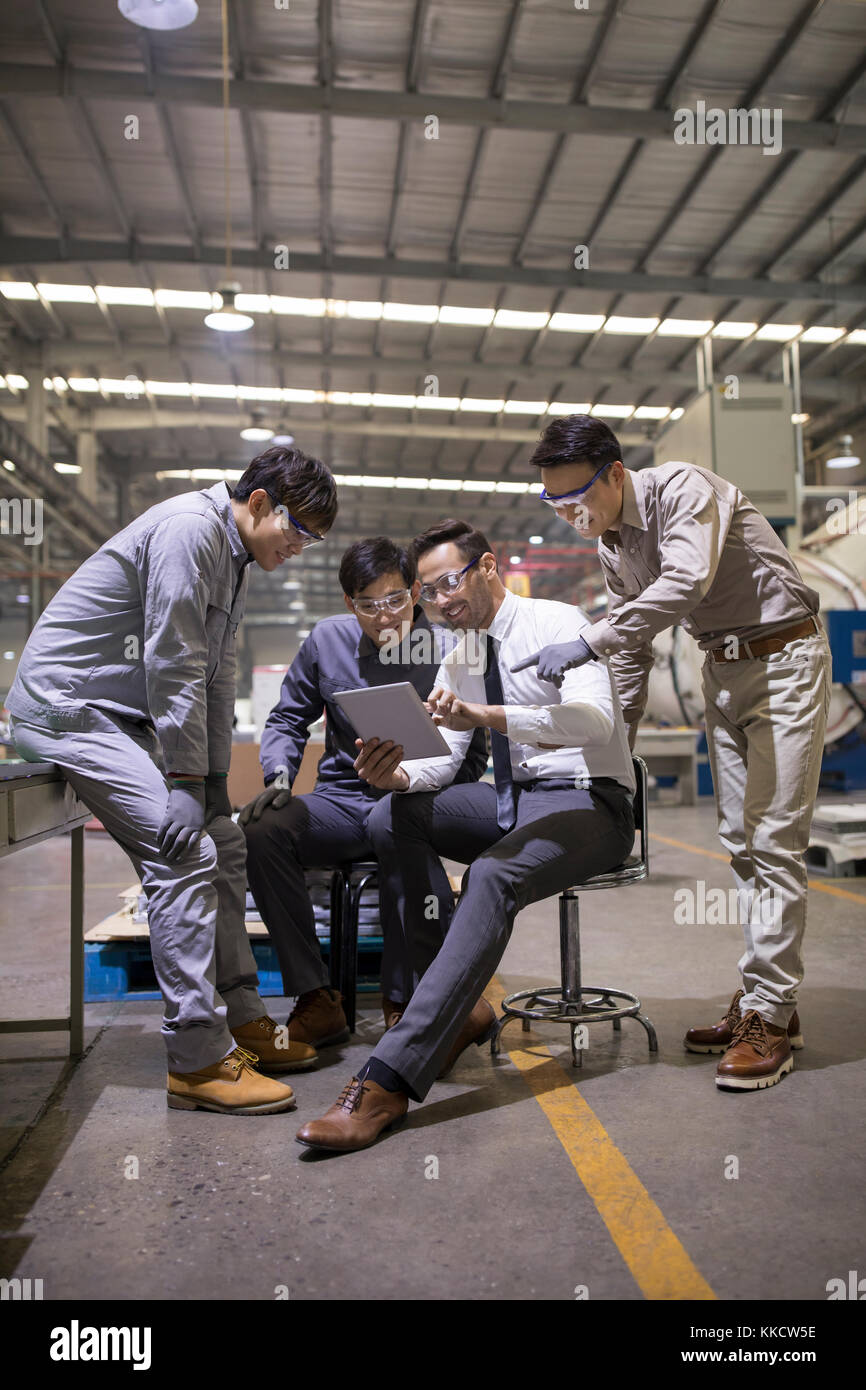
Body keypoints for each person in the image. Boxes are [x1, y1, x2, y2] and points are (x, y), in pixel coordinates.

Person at [6, 446, 337, 1115]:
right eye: (298, 530)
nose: (302, 547)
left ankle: (242, 1021)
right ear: (261, 502)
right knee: (183, 851)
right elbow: (174, 660)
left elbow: (218, 676)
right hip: (67, 707)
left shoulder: (237, 558)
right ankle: (196, 1060)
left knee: (227, 840)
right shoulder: (191, 531)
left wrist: (210, 782)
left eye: (315, 539)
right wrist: (182, 779)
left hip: (122, 717)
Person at [295, 518, 636, 1153]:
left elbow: (592, 721)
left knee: (492, 874)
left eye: (450, 581)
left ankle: (386, 1081)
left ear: (487, 567)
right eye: (428, 591)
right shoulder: (460, 657)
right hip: (511, 801)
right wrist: (392, 773)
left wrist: (487, 715)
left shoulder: (559, 623)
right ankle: (453, 1008)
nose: (442, 600)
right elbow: (443, 765)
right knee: (391, 816)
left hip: (589, 801)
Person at [517, 414, 830, 1092]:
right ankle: (766, 1001)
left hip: (783, 658)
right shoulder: (612, 545)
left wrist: (590, 638)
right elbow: (632, 656)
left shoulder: (685, 491)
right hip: (721, 668)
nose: (571, 513)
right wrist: (611, 751)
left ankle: (769, 1018)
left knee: (775, 839)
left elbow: (684, 582)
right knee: (742, 842)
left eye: (579, 498)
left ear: (616, 474)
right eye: (555, 503)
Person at [240, 536, 487, 1053]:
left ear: (417, 592)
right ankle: (315, 998)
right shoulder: (326, 641)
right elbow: (287, 719)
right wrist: (278, 777)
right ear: (349, 603)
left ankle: (407, 1000)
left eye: (395, 599)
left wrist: (431, 788)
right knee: (262, 829)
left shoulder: (452, 652)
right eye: (367, 605)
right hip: (344, 800)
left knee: (399, 824)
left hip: (418, 802)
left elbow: (476, 751)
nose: (383, 617)